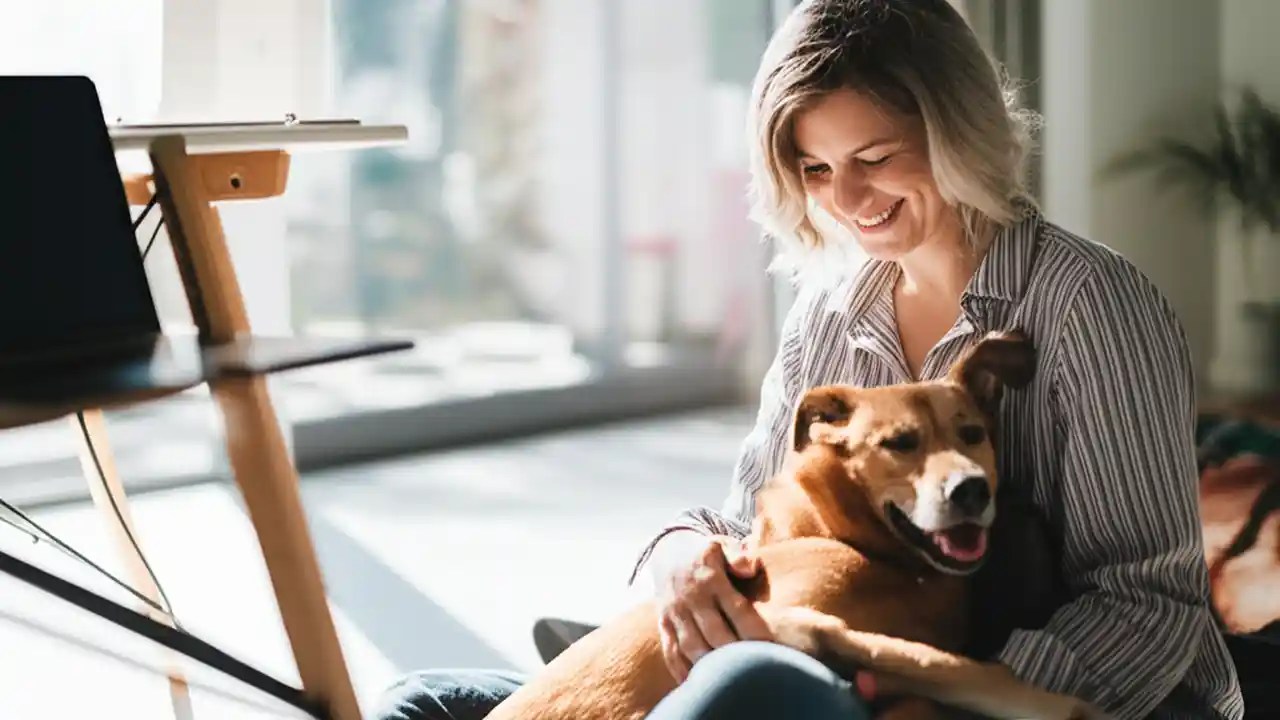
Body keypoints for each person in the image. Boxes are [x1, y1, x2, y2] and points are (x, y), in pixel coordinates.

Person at [374, 1, 1245, 718]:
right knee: (420, 700)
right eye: (816, 167)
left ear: (960, 132)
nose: (846, 200)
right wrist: (679, 555)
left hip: (1034, 690)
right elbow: (744, 525)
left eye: (874, 158)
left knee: (741, 687)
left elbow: (1147, 609)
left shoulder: (1093, 305)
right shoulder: (831, 310)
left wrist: (944, 694)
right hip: (826, 644)